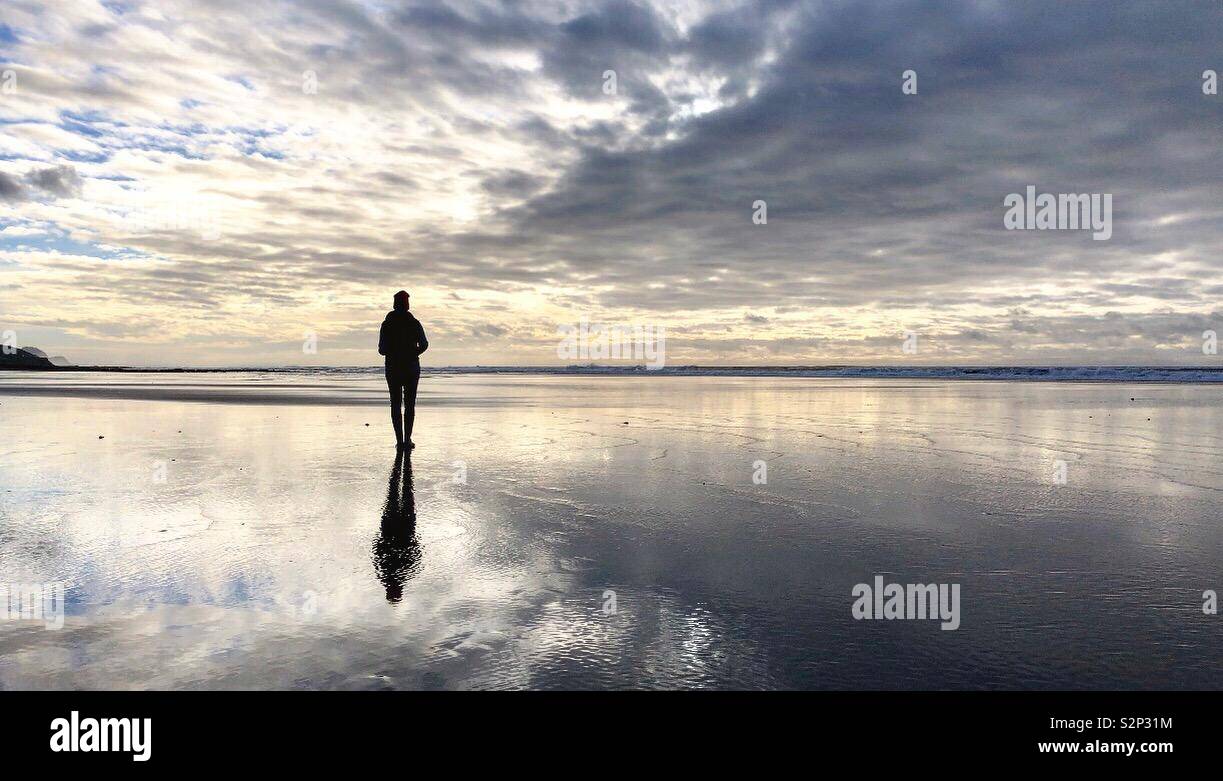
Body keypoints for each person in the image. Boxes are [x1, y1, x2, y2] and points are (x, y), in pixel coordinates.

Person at [378, 290, 428, 449]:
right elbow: (425, 344)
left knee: (395, 403)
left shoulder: (387, 324)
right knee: (410, 404)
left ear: (394, 304)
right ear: (407, 304)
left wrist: (394, 351)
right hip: (411, 367)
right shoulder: (414, 323)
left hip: (393, 367)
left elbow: (381, 349)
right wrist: (413, 353)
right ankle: (407, 439)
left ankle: (400, 441)